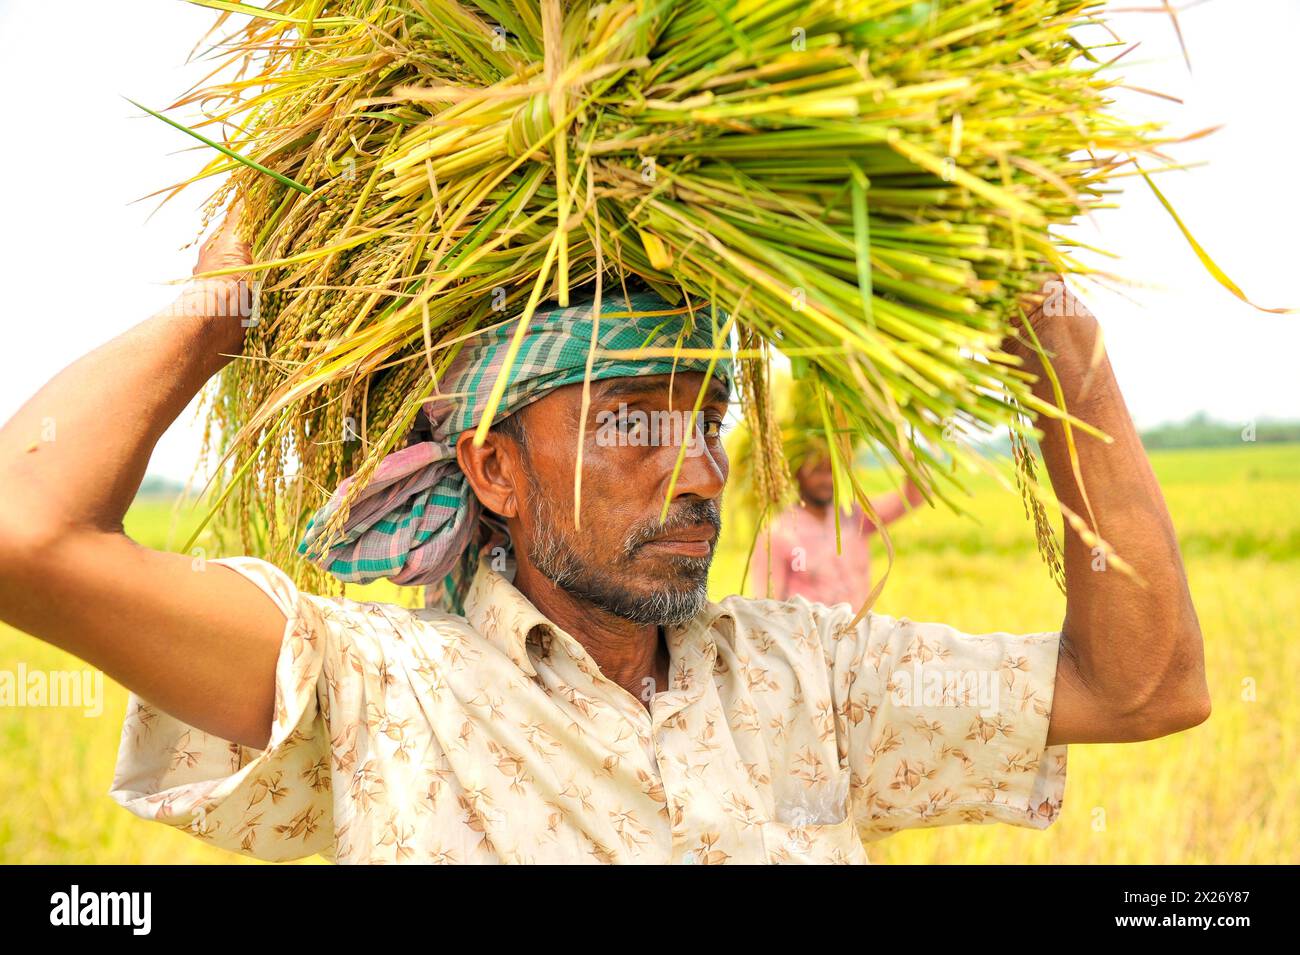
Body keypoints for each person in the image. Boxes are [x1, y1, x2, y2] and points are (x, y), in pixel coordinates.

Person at [0, 213, 1209, 864]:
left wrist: (1068, 355)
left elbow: (1144, 687)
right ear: (492, 468)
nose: (696, 465)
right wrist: (224, 305)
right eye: (634, 418)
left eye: (713, 411)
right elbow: (25, 534)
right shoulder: (377, 695)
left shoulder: (813, 681)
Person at [751, 443, 925, 606]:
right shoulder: (778, 533)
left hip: (860, 633)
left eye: (832, 470)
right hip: (811, 636)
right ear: (797, 473)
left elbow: (914, 497)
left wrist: (907, 457)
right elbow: (767, 606)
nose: (827, 480)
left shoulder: (855, 517)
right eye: (817, 470)